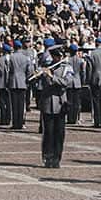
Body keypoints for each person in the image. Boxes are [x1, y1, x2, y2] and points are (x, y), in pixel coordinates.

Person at [38, 40, 76, 168]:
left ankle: (57, 158)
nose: (58, 59)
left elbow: (67, 82)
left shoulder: (67, 68)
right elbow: (45, 84)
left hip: (60, 104)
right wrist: (43, 75)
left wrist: (52, 77)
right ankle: (47, 157)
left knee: (59, 133)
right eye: (56, 56)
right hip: (48, 103)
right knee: (48, 133)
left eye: (60, 56)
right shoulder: (47, 67)